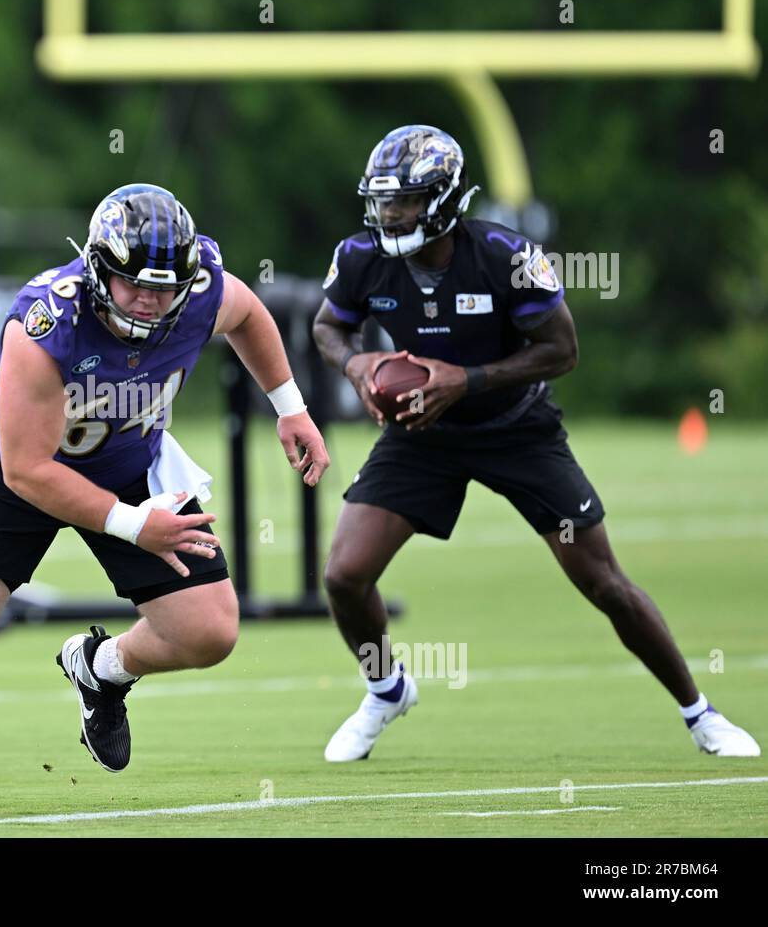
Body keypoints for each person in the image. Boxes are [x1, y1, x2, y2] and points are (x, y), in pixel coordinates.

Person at [0, 183, 330, 818]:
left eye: (164, 287)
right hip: (16, 477)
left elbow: (247, 314)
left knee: (209, 632)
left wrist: (290, 408)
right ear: (98, 266)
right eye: (133, 284)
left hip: (131, 461)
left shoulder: (202, 288)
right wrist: (135, 526)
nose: (150, 300)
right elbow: (28, 471)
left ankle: (102, 669)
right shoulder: (45, 323)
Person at [312, 124, 759, 761]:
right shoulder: (361, 257)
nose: (389, 213)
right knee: (343, 574)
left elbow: (562, 350)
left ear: (441, 200)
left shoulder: (503, 254)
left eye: (404, 201)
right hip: (423, 434)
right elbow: (330, 324)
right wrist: (357, 367)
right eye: (383, 200)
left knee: (604, 583)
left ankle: (700, 713)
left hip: (515, 430)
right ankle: (386, 688)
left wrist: (464, 381)